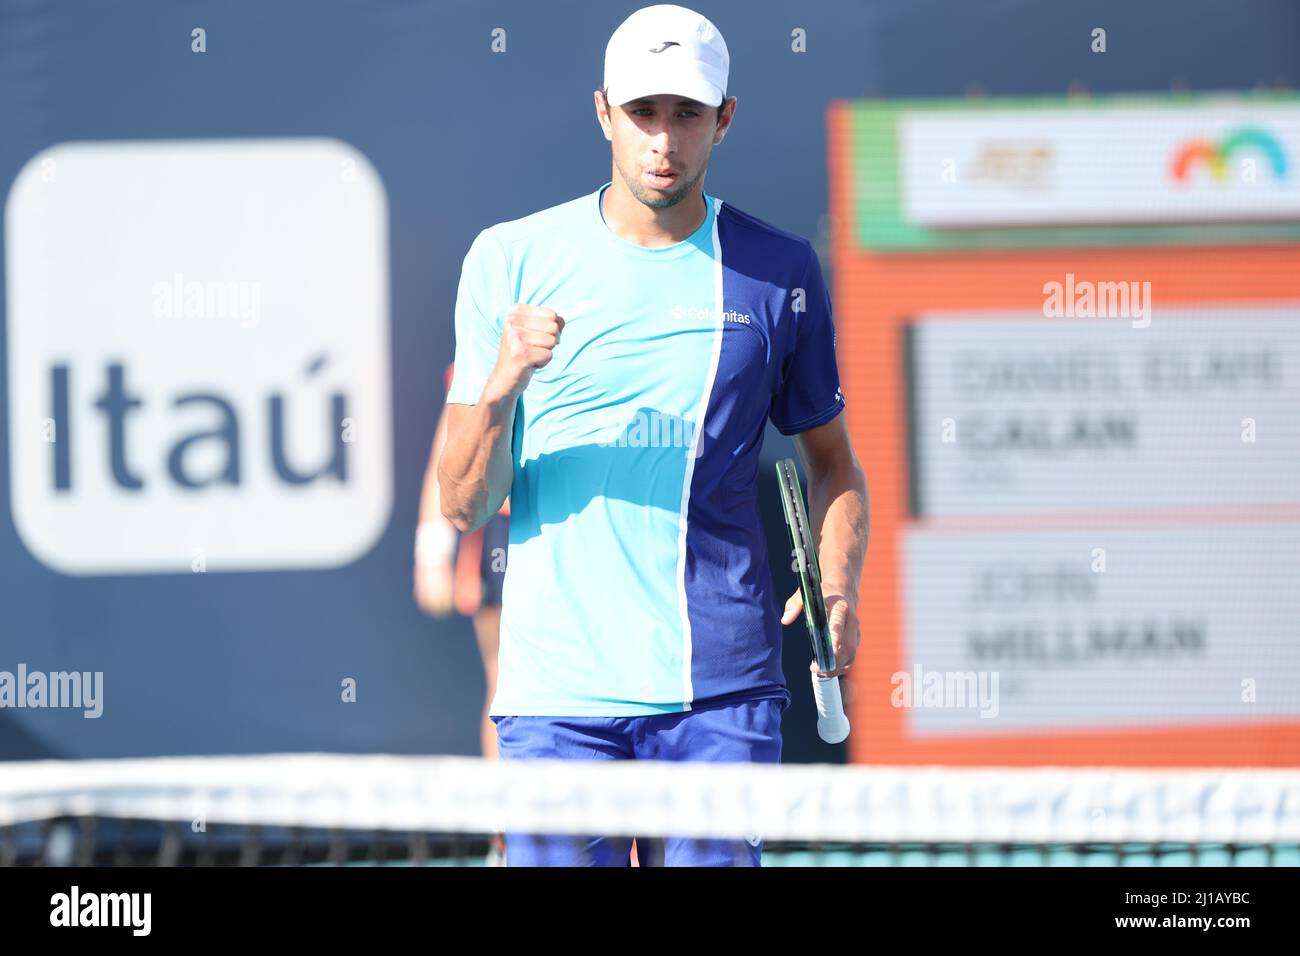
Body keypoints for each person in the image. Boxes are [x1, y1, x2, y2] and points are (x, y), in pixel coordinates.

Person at [437, 3, 868, 867]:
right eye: (642, 114)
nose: (663, 141)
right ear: (603, 113)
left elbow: (832, 465)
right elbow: (462, 503)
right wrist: (503, 381)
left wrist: (838, 588)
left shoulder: (779, 271)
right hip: (558, 698)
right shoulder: (506, 260)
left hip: (721, 691)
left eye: (686, 115)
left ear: (725, 120)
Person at [414, 362, 510, 864]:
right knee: (505, 685)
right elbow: (452, 442)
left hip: (583, 529)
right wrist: (431, 549)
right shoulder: (492, 334)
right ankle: (504, 838)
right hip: (502, 531)